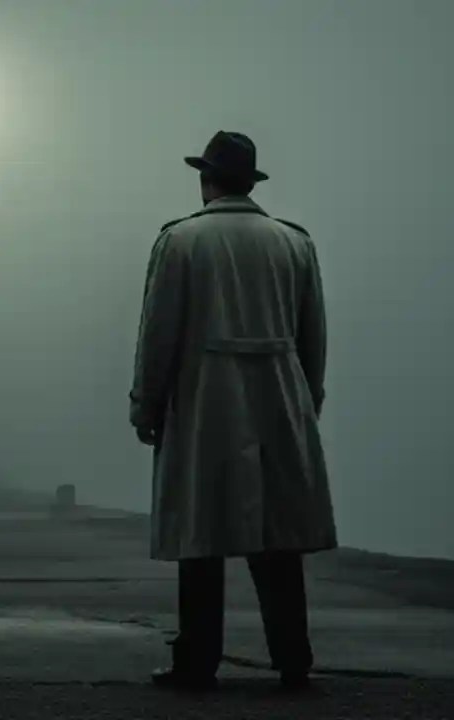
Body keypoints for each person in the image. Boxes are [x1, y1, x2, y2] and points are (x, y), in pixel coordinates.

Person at [129, 130, 337, 692]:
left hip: (205, 397)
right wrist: (308, 398)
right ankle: (293, 657)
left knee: (201, 534)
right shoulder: (294, 242)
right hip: (280, 392)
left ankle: (197, 661)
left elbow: (159, 333)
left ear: (206, 179)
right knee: (279, 537)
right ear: (251, 181)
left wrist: (145, 403)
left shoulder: (180, 241)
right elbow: (312, 332)